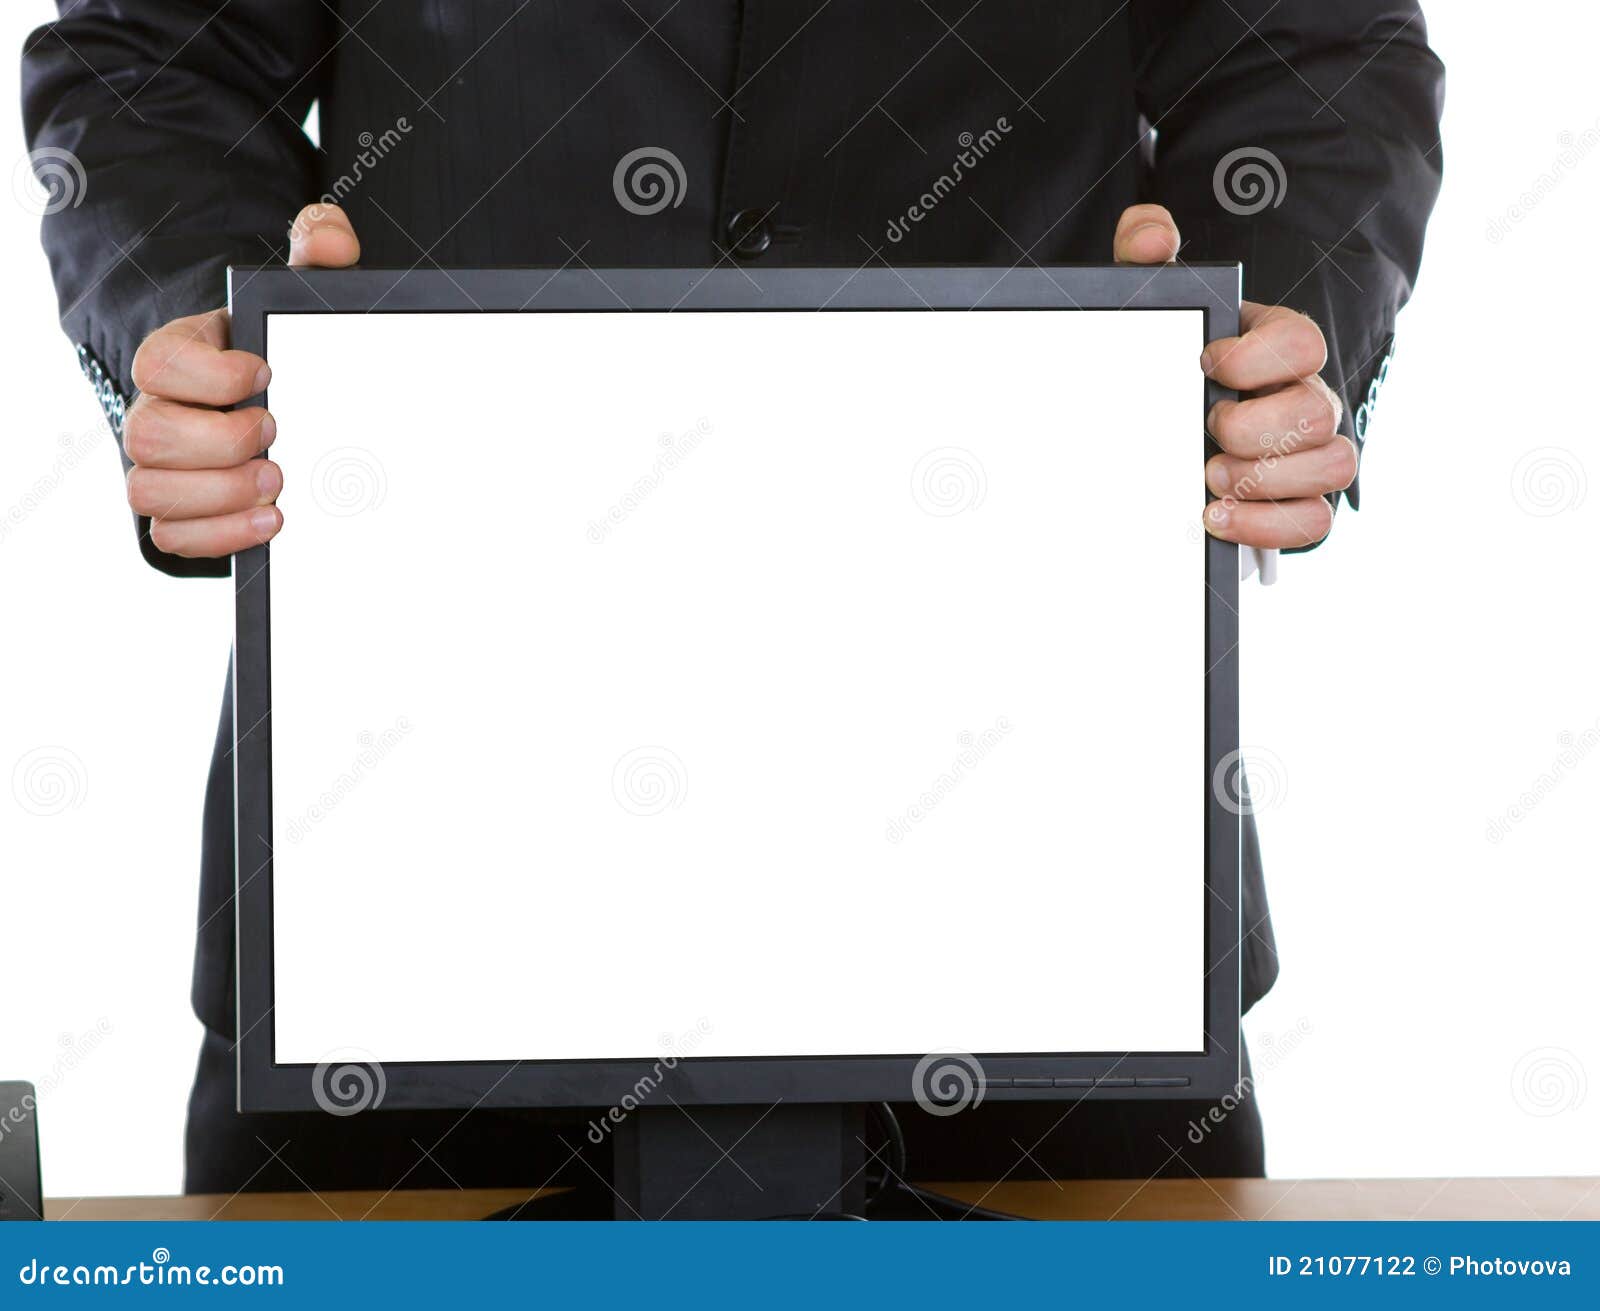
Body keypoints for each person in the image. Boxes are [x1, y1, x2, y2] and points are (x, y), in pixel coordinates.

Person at [21, 1, 1443, 1194]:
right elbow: (154, 60)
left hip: (1039, 845)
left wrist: (1274, 318)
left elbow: (1314, 47)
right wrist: (196, 331)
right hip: (414, 846)